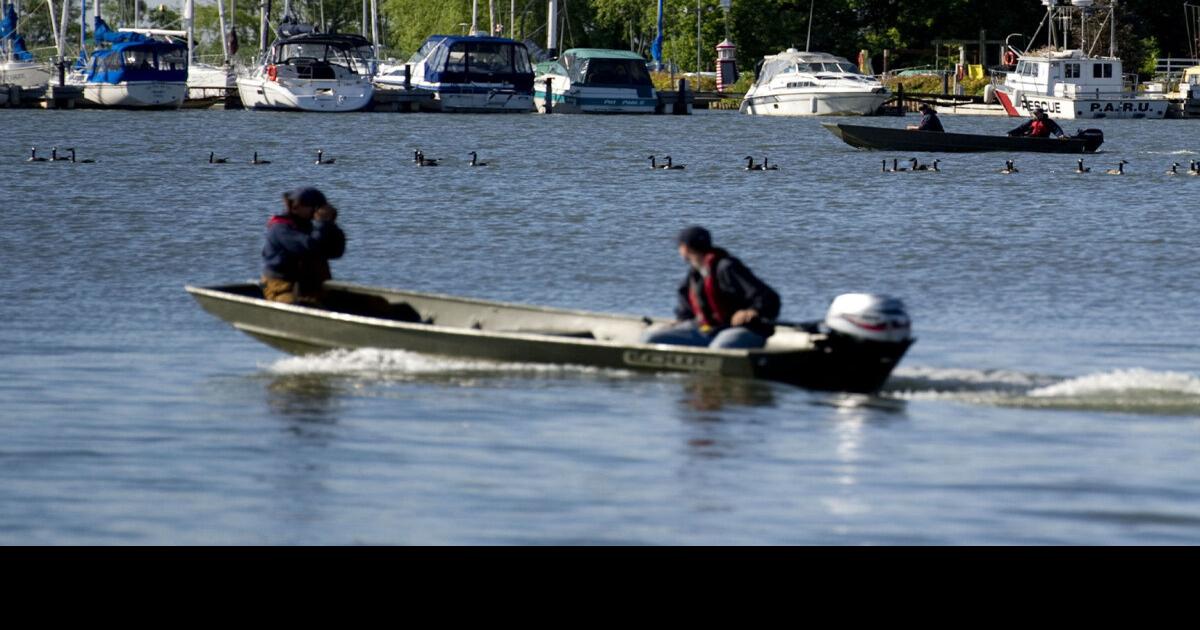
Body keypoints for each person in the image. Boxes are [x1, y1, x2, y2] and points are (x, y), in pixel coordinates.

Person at [641, 226, 781, 349]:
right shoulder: (694, 273)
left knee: (719, 348)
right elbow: (686, 308)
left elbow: (770, 297)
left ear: (684, 248)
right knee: (650, 338)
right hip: (709, 329)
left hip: (746, 330)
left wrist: (752, 311)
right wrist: (680, 322)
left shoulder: (727, 267)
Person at [261, 186, 345, 306]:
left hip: (312, 287)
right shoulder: (281, 229)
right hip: (282, 288)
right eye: (314, 207)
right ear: (296, 207)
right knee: (301, 306)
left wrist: (330, 224)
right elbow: (309, 248)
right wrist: (322, 223)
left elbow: (336, 251)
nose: (316, 212)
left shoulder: (310, 228)